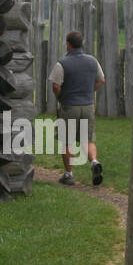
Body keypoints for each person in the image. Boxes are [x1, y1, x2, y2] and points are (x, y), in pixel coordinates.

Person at [48, 29, 105, 185]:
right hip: (87, 106)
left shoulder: (62, 63)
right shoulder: (93, 61)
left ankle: (69, 174)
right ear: (81, 44)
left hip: (69, 106)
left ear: (68, 45)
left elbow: (55, 85)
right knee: (88, 139)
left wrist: (61, 96)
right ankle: (94, 162)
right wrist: (88, 91)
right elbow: (101, 80)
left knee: (67, 141)